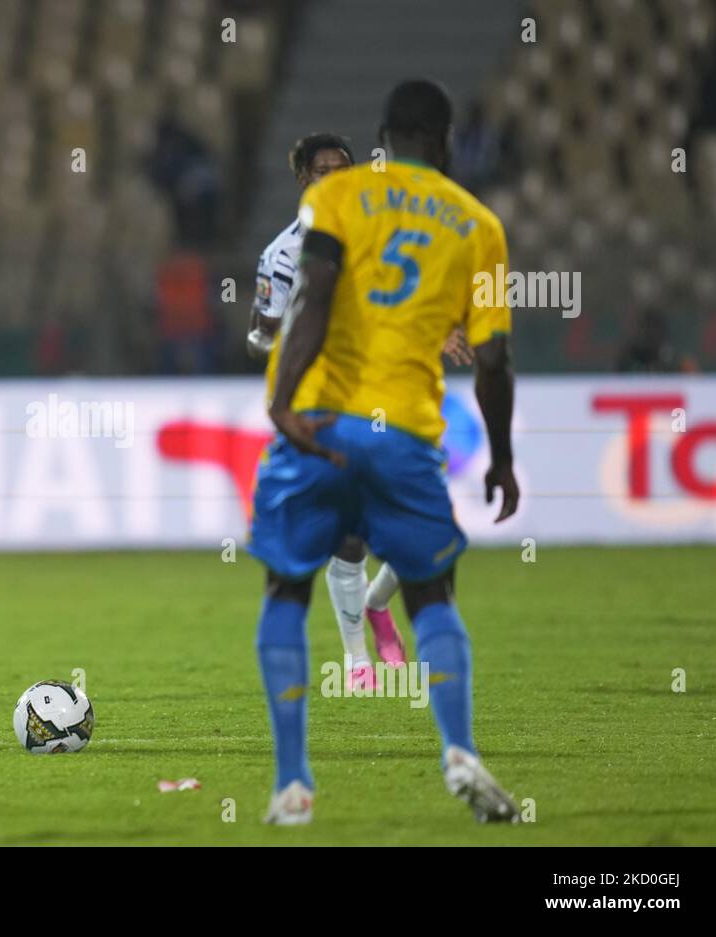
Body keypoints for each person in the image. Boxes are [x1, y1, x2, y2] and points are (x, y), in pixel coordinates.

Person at [250, 80, 520, 825]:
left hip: (319, 422)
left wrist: (284, 400)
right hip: (402, 427)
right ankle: (460, 751)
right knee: (434, 592)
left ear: (383, 135)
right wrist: (500, 457)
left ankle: (293, 784)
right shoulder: (479, 226)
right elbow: (494, 358)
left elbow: (312, 298)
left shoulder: (337, 203)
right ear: (449, 138)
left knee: (284, 591)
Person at [248, 132, 407, 691]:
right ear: (304, 180)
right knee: (348, 534)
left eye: (344, 168)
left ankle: (375, 603)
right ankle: (357, 660)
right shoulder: (284, 254)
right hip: (324, 402)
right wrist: (274, 347)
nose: (336, 178)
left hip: (385, 390)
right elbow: (262, 332)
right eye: (323, 171)